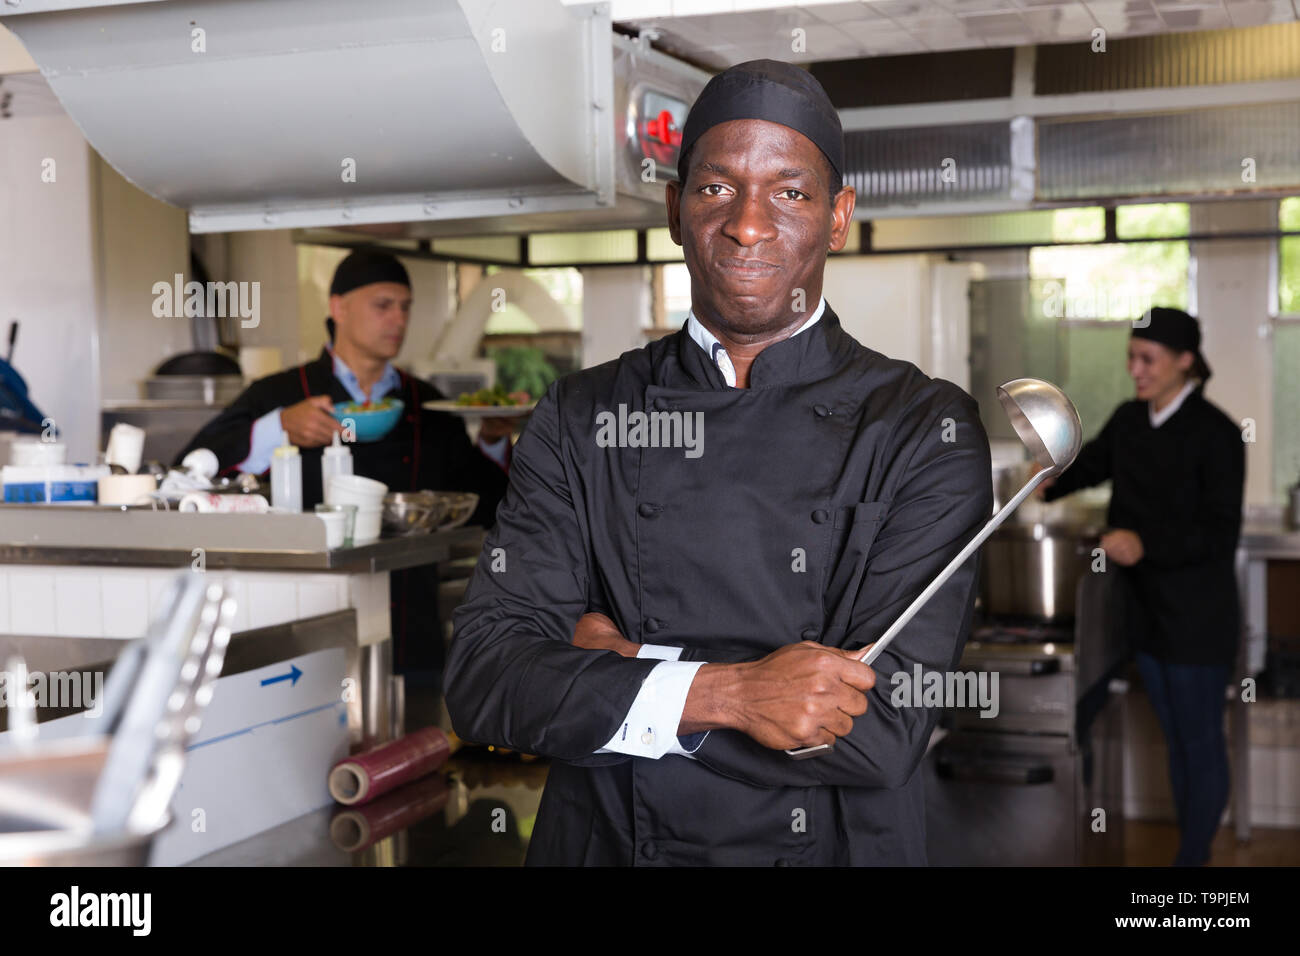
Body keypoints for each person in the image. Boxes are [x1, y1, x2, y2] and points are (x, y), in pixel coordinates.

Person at [444, 59, 993, 866]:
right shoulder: (584, 413)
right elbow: (487, 683)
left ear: (838, 217)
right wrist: (731, 695)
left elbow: (881, 733)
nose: (747, 224)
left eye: (790, 192)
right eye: (715, 188)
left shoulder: (922, 427)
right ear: (674, 209)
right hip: (606, 845)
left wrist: (625, 671)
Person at [176, 249, 513, 675]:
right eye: (383, 305)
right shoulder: (281, 394)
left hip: (412, 630)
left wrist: (493, 438)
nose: (398, 320)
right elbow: (190, 471)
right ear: (338, 307)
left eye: (405, 307)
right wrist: (278, 428)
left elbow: (487, 504)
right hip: (307, 628)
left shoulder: (427, 403)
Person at [1039, 307, 1244, 866]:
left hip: (1199, 622)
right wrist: (1044, 482)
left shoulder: (1219, 434)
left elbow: (1219, 534)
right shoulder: (1131, 420)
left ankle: (1193, 859)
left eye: (1147, 358)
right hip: (1144, 616)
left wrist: (1144, 543)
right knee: (1174, 741)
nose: (1135, 369)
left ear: (1184, 361)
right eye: (1131, 357)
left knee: (1199, 743)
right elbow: (1092, 466)